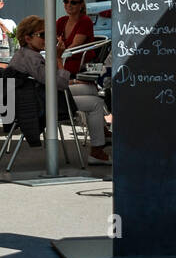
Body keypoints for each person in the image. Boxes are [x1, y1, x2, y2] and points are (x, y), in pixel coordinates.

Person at [10, 15, 110, 164]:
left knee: (89, 89)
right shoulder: (32, 59)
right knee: (95, 103)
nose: (47, 38)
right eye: (42, 35)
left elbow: (52, 81)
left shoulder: (26, 54)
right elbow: (60, 84)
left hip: (38, 95)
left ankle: (100, 134)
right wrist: (58, 59)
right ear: (28, 38)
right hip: (40, 103)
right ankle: (97, 150)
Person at [57, 0, 95, 75]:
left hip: (78, 63)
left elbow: (75, 46)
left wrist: (58, 55)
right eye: (66, 2)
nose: (68, 5)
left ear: (81, 5)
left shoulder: (85, 21)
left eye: (73, 2)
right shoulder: (61, 21)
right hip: (61, 59)